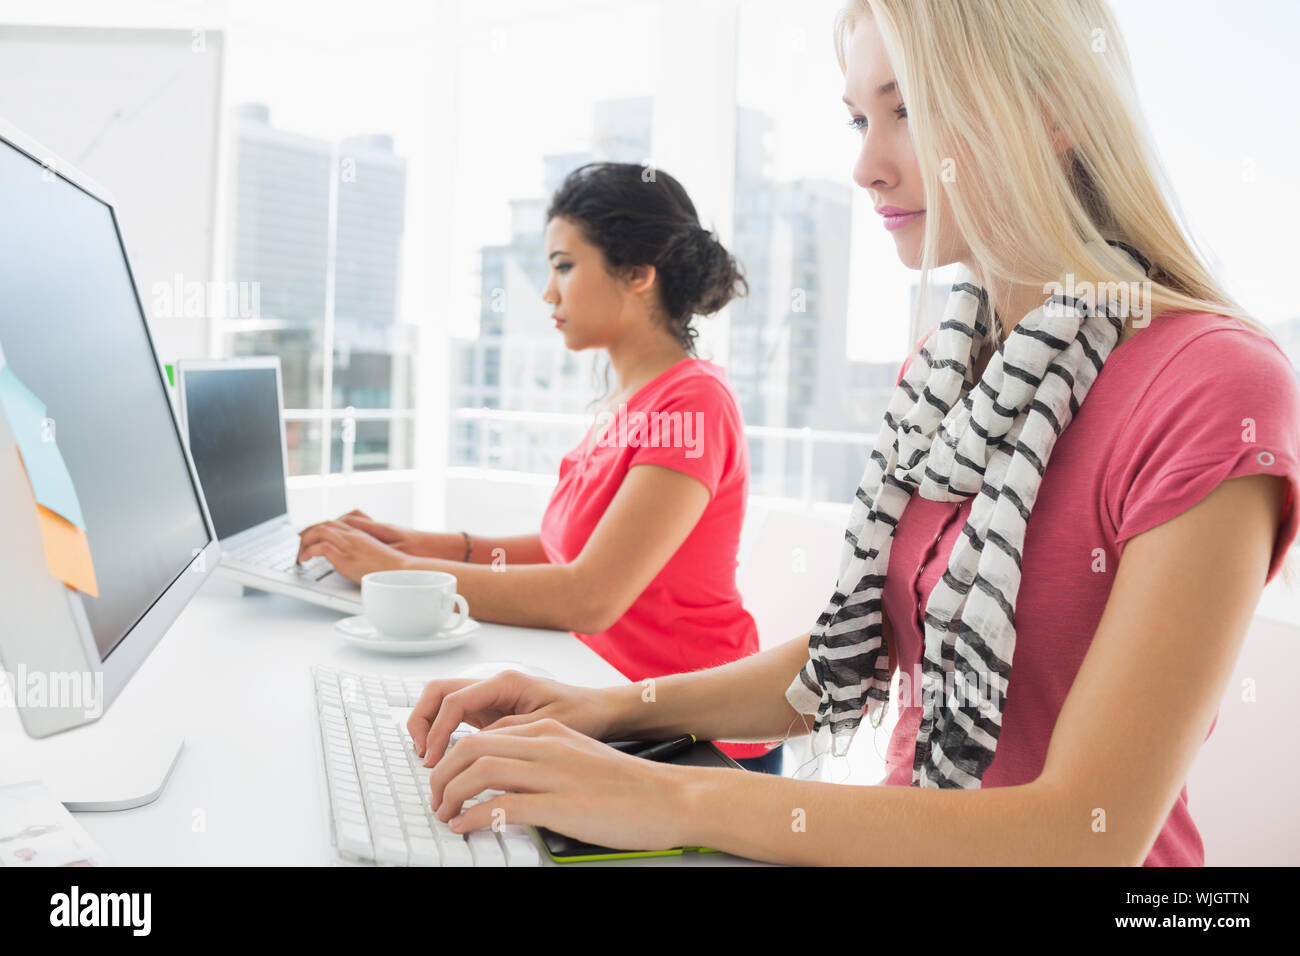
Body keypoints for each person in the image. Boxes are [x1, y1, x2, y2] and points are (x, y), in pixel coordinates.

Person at [400, 0, 1300, 865]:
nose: (868, 165)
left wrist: (661, 799)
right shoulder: (948, 371)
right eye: (857, 119)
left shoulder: (1215, 385)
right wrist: (607, 709)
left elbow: (1084, 837)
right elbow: (853, 650)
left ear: (1053, 114)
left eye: (906, 110)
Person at [298, 162, 780, 771]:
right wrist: (417, 544)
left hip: (699, 746)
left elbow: (589, 596)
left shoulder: (692, 405)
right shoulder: (625, 402)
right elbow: (566, 554)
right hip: (618, 716)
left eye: (564, 266)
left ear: (637, 273)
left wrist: (399, 572)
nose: (548, 293)